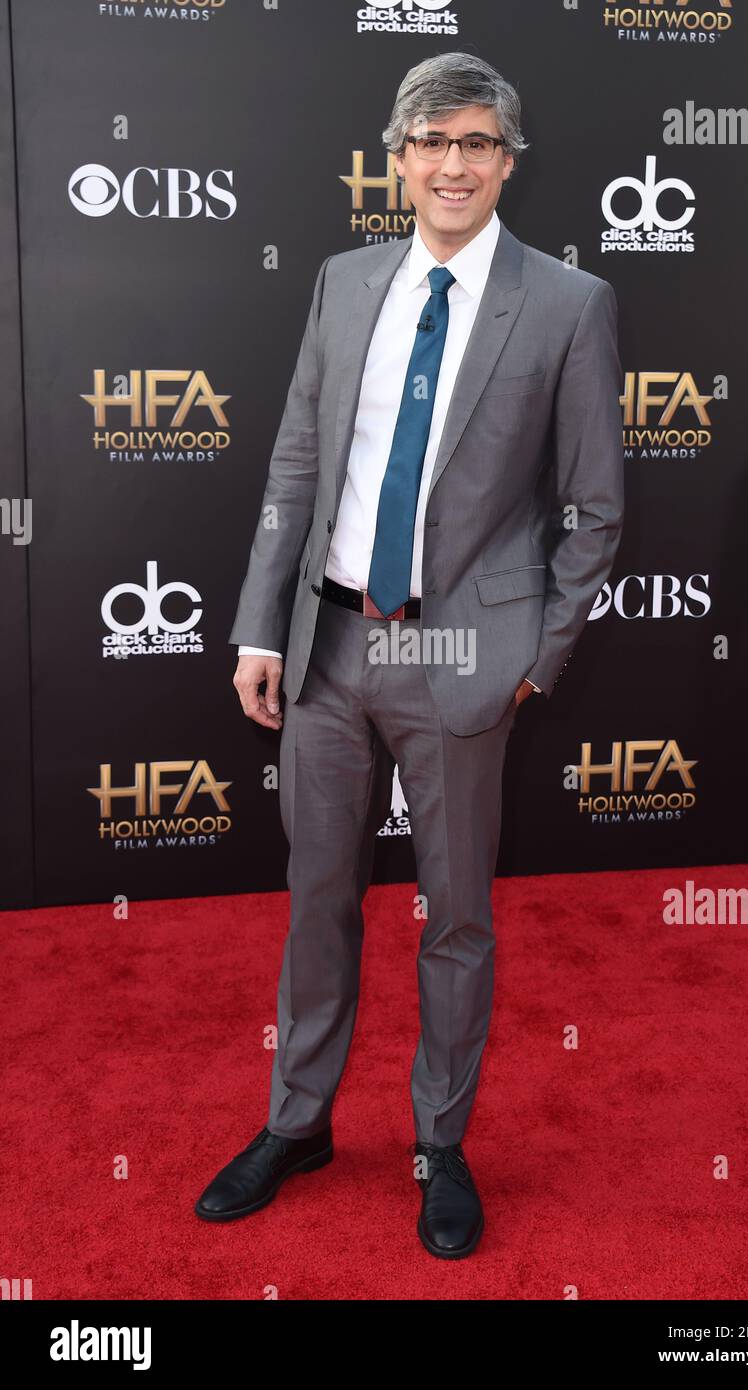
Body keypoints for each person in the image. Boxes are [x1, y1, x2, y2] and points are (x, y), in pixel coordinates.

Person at [195, 51, 624, 1259]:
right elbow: (293, 467)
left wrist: (535, 655)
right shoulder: (342, 283)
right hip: (327, 644)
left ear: (508, 161)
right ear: (397, 158)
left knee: (456, 919)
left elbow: (595, 507)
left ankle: (441, 1140)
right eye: (432, 141)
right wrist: (257, 623)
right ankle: (299, 1121)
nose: (454, 163)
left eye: (479, 142)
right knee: (318, 899)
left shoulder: (565, 304)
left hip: (464, 658)